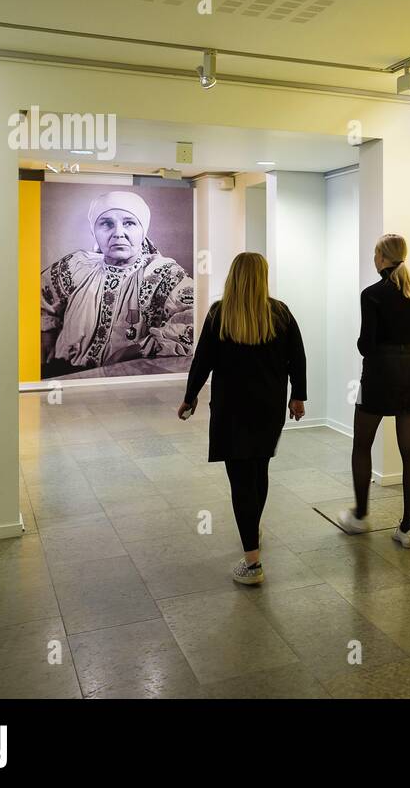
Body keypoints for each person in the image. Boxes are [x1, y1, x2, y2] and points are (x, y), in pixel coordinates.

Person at [178, 252, 306, 585]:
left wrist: (190, 398)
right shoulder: (280, 313)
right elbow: (298, 359)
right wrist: (297, 397)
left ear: (234, 276)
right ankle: (253, 529)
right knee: (259, 470)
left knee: (239, 480)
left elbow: (202, 361)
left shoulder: (220, 313)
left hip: (231, 409)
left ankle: (252, 563)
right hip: (268, 407)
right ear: (262, 276)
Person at [337, 234, 410, 548]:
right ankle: (408, 529)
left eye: (375, 253)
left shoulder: (371, 294)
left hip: (378, 375)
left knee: (362, 443)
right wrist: (405, 337)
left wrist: (384, 341)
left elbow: (366, 344)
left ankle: (361, 516)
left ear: (381, 257)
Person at [40, 190, 196, 378]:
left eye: (129, 223)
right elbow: (36, 297)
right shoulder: (76, 266)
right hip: (67, 377)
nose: (118, 233)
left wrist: (140, 348)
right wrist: (46, 336)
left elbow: (196, 318)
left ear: (143, 229)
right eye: (106, 224)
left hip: (127, 383)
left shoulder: (162, 273)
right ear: (94, 231)